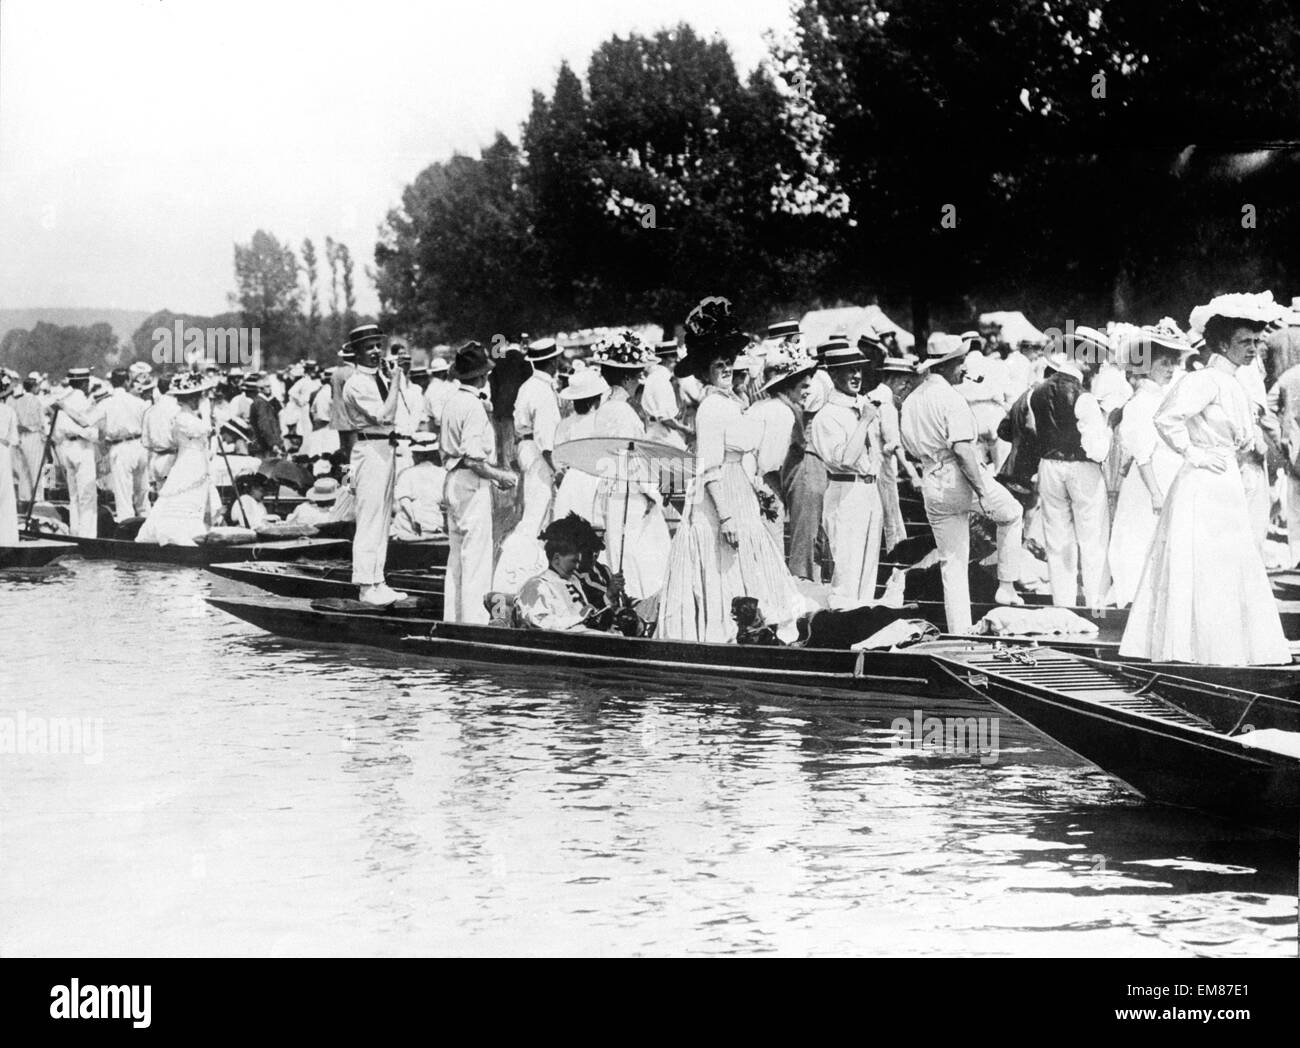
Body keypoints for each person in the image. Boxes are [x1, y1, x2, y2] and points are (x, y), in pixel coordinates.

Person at [1121, 292, 1290, 665]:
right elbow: (1166, 418)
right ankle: (1194, 648)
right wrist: (1194, 453)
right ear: (1223, 344)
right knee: (1203, 559)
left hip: (1226, 479)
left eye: (1256, 342)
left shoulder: (1233, 381)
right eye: (1245, 342)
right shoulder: (1205, 380)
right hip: (1202, 482)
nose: (1253, 349)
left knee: (1228, 560)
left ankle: (1227, 647)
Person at [658, 297, 809, 643]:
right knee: (724, 561)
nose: (726, 369)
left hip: (738, 487)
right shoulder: (711, 407)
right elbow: (709, 467)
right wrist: (725, 517)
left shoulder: (731, 402)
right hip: (719, 498)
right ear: (704, 372)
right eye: (718, 365)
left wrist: (754, 491)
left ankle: (757, 628)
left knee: (748, 559)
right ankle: (723, 632)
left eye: (728, 362)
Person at [900, 337, 1024, 633]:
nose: (964, 369)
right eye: (959, 363)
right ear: (945, 366)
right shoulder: (951, 399)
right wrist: (982, 492)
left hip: (932, 478)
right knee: (1012, 513)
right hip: (958, 476)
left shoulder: (912, 400)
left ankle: (959, 630)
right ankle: (1006, 585)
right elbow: (962, 450)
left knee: (952, 563)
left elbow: (910, 447)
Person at [1105, 325, 1191, 607]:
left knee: (1162, 538)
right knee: (1140, 536)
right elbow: (1142, 453)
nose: (1170, 369)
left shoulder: (1161, 397)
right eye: (1164, 363)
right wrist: (1154, 491)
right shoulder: (1141, 402)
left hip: (1167, 474)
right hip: (1148, 481)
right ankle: (1134, 598)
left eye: (1173, 363)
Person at [1029, 326, 1113, 609]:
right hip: (1082, 468)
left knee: (1058, 540)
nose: (1098, 367)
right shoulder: (1083, 397)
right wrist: (1107, 426)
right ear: (1085, 357)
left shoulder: (1037, 391)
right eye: (1097, 360)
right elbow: (1097, 450)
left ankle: (1063, 605)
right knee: (1092, 538)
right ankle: (1095, 604)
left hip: (1048, 465)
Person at [591, 332, 671, 602]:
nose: (640, 380)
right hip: (629, 491)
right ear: (626, 378)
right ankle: (641, 601)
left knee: (619, 546)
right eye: (637, 375)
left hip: (611, 486)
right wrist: (651, 493)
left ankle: (626, 600)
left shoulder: (605, 409)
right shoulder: (624, 413)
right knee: (640, 550)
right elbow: (634, 459)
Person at [441, 341, 518, 623]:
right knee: (476, 557)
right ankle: (473, 620)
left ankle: (453, 617)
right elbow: (473, 458)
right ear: (482, 376)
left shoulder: (452, 401)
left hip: (453, 480)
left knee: (457, 556)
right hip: (471, 482)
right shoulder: (473, 406)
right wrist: (501, 476)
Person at [810, 340, 885, 609]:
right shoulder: (827, 415)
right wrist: (864, 421)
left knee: (868, 568)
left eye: (858, 369)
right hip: (846, 492)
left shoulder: (862, 406)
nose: (856, 375)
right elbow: (844, 459)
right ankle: (842, 618)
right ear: (833, 374)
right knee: (848, 567)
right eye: (848, 370)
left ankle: (862, 619)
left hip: (869, 490)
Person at [339, 324, 405, 605]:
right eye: (369, 347)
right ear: (356, 353)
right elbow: (384, 415)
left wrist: (391, 379)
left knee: (382, 518)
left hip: (385, 448)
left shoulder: (378, 378)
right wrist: (397, 379)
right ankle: (366, 585)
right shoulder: (357, 383)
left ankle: (378, 580)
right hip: (369, 450)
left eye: (378, 345)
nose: (376, 351)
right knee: (369, 519)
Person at [493, 338, 563, 594]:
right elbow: (546, 437)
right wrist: (556, 468)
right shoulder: (541, 391)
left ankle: (528, 568)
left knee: (537, 512)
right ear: (553, 362)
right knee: (536, 512)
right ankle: (513, 572)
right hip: (538, 453)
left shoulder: (530, 385)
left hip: (529, 448)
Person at [745, 342, 817, 553]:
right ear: (787, 386)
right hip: (763, 484)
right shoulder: (782, 413)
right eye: (803, 386)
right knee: (771, 548)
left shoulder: (761, 406)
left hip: (748, 482)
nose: (808, 392)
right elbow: (770, 464)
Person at [136, 371, 220, 545]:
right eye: (197, 397)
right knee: (182, 495)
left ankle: (196, 530)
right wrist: (206, 412)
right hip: (188, 461)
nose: (199, 400)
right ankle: (175, 532)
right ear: (190, 398)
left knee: (196, 496)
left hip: (196, 460)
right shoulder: (183, 418)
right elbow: (204, 430)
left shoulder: (189, 417)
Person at [515, 514, 625, 632]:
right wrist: (579, 618)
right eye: (573, 561)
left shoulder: (574, 581)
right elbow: (539, 623)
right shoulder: (537, 585)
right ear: (557, 558)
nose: (577, 566)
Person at [787, 333, 835, 581]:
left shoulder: (815, 385)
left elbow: (802, 426)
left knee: (807, 528)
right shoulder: (822, 381)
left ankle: (805, 579)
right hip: (816, 455)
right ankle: (811, 577)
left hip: (810, 454)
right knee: (812, 528)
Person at [872, 357, 922, 553]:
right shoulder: (886, 404)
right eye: (904, 381)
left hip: (873, 469)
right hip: (882, 469)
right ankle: (896, 562)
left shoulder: (871, 396)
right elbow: (894, 444)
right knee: (892, 521)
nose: (906, 387)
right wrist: (913, 474)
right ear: (891, 378)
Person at [551, 368, 607, 523]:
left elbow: (558, 459)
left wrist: (562, 471)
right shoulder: (601, 422)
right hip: (595, 480)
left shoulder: (565, 424)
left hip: (571, 480)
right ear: (596, 400)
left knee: (569, 521)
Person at [52, 367, 102, 537]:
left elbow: (57, 432)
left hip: (66, 447)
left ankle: (75, 530)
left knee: (73, 495)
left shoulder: (63, 400)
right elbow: (92, 430)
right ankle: (87, 534)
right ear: (84, 383)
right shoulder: (84, 402)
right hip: (82, 447)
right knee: (87, 494)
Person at [101, 367, 150, 522]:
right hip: (139, 445)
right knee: (142, 491)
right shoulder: (139, 402)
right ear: (127, 381)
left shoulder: (106, 403)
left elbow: (91, 423)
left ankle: (127, 526)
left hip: (120, 447)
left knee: (123, 494)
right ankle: (146, 522)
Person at [391, 433, 447, 540]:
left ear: (417, 455)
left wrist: (413, 520)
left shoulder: (407, 474)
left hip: (410, 525)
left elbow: (404, 501)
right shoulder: (444, 474)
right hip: (434, 523)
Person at [642, 340, 689, 449]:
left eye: (676, 355)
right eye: (673, 356)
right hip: (660, 434)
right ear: (662, 359)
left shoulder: (660, 377)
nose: (677, 360)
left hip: (659, 431)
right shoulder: (660, 379)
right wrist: (686, 430)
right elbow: (665, 418)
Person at [11, 375, 47, 504]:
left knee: (24, 469)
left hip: (21, 436)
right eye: (37, 386)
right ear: (33, 387)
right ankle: (38, 497)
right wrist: (45, 437)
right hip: (34, 435)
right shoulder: (36, 401)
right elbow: (42, 421)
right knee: (37, 468)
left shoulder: (17, 401)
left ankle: (24, 497)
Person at [329, 342, 358, 458]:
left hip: (339, 418)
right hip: (352, 419)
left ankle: (345, 471)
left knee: (344, 451)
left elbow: (333, 395)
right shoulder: (354, 373)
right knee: (354, 453)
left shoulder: (335, 373)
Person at [245, 374, 283, 459]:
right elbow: (265, 425)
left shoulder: (261, 402)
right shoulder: (261, 403)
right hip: (264, 445)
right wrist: (273, 444)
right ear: (260, 389)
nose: (270, 389)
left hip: (263, 443)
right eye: (267, 387)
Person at [0, 374, 19, 544]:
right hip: (4, 451)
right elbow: (14, 439)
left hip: (3, 450)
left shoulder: (9, 410)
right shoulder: (9, 410)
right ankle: (7, 536)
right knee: (5, 493)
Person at [422, 356, 455, 445]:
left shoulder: (441, 386)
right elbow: (438, 414)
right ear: (441, 373)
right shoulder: (434, 389)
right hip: (439, 428)